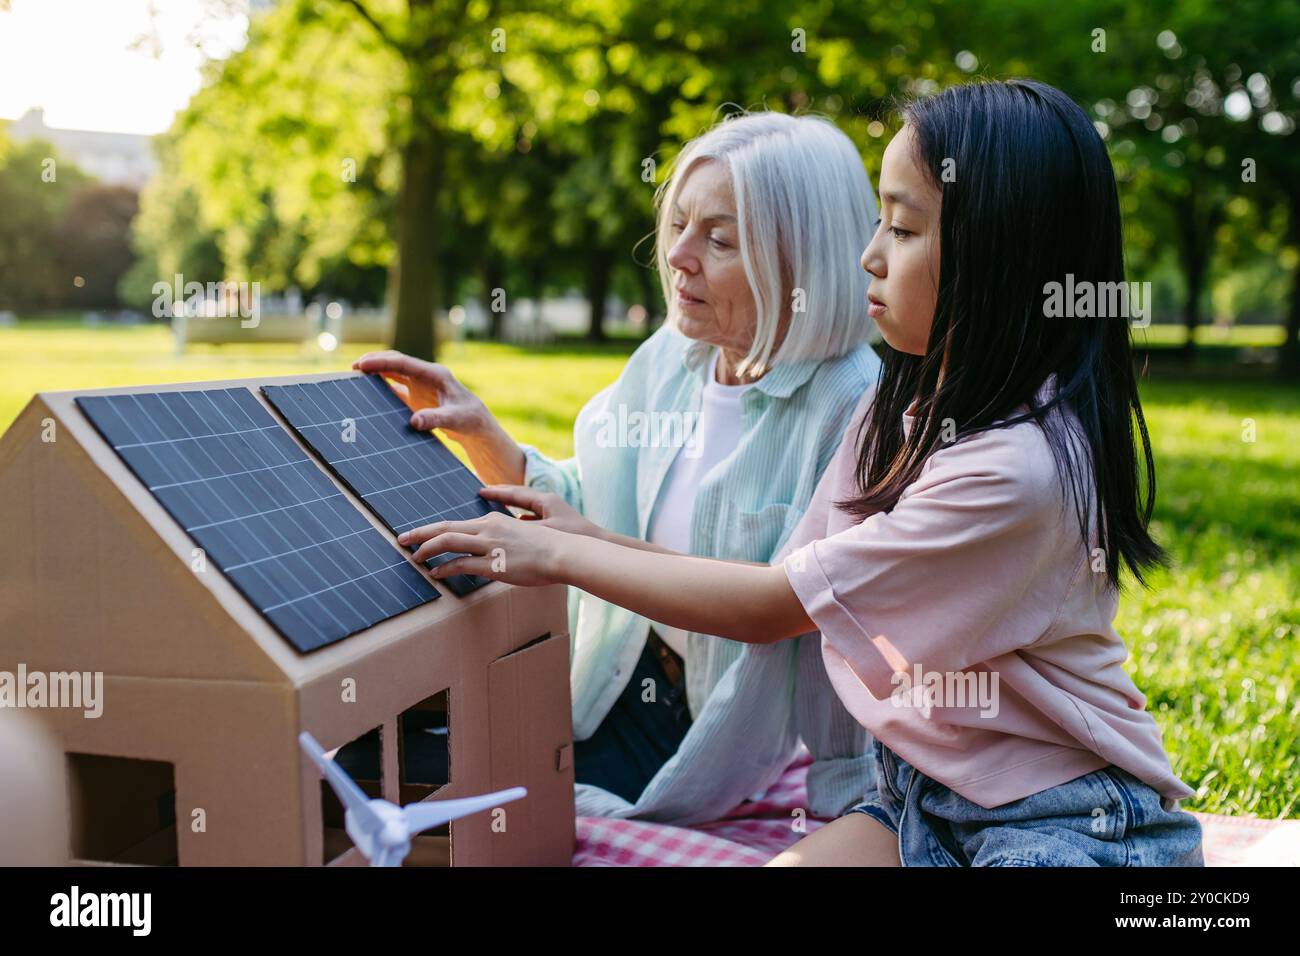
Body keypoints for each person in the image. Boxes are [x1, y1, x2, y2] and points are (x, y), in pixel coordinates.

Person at [395, 79, 1205, 866]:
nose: (870, 256)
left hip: (1061, 814)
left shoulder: (1013, 470)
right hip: (918, 796)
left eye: (903, 230)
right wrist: (583, 533)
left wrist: (564, 553)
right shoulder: (904, 414)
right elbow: (781, 579)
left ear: (999, 257)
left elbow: (774, 608)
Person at [351, 110, 884, 822]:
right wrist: (482, 433)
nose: (679, 254)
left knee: (448, 791)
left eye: (719, 239)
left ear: (800, 262)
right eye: (680, 224)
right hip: (600, 670)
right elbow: (587, 500)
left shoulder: (851, 405)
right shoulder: (675, 357)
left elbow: (791, 612)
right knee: (364, 750)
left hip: (699, 725)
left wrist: (569, 550)